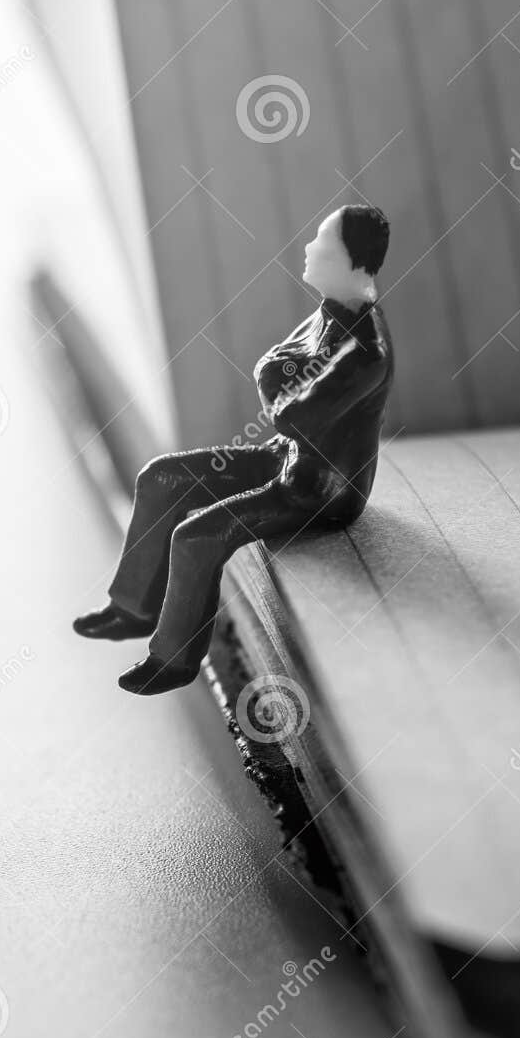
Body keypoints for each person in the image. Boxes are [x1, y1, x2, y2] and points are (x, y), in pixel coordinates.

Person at [74, 204, 394, 695]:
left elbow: (291, 412)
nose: (309, 250)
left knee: (198, 535)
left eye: (323, 247)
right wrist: (280, 381)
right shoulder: (328, 312)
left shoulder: (365, 352)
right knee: (161, 477)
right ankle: (133, 608)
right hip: (286, 457)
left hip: (322, 489)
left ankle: (174, 659)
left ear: (356, 265)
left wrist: (280, 380)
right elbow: (273, 372)